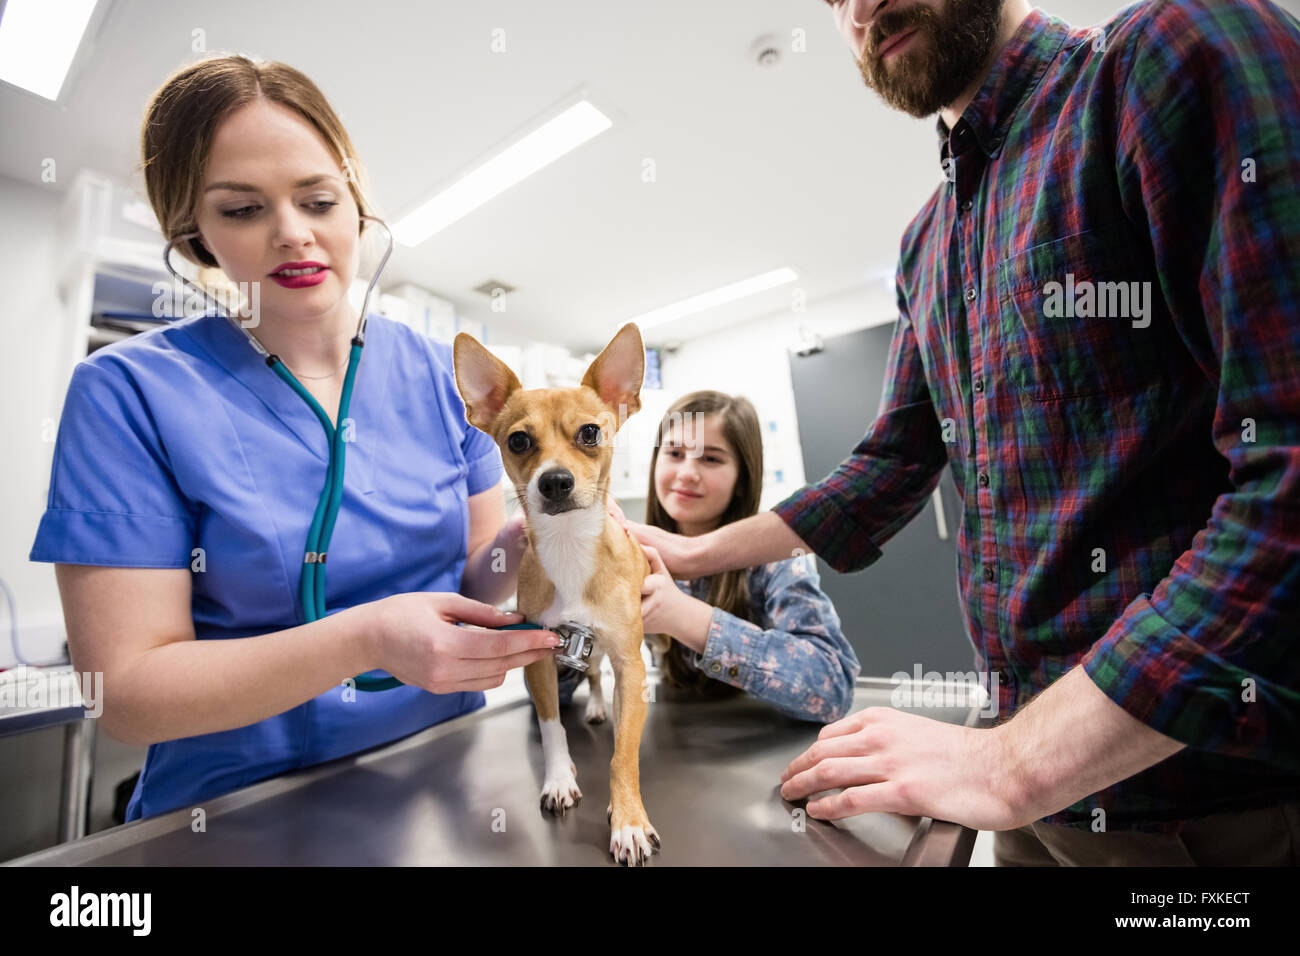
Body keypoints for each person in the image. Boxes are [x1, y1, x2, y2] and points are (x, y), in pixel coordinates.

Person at [631, 0, 1300, 865]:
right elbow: (889, 465)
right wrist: (687, 558)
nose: (860, 8)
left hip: (1209, 806)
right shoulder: (927, 244)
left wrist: (1014, 764)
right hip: (1025, 803)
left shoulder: (1166, 59)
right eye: (831, 0)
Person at [28, 54, 563, 822]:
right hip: (233, 811)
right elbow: (129, 697)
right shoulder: (129, 393)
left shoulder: (443, 378)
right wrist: (368, 637)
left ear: (356, 205)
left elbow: (476, 585)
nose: (292, 234)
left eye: (317, 199)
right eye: (242, 210)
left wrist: (532, 533)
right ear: (197, 236)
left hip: (438, 782)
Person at [558, 391, 860, 722]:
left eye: (711, 459)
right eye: (674, 453)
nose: (688, 472)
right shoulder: (629, 554)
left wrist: (685, 617)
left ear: (742, 479)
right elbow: (551, 695)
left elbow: (832, 691)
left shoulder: (774, 561)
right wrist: (568, 623)